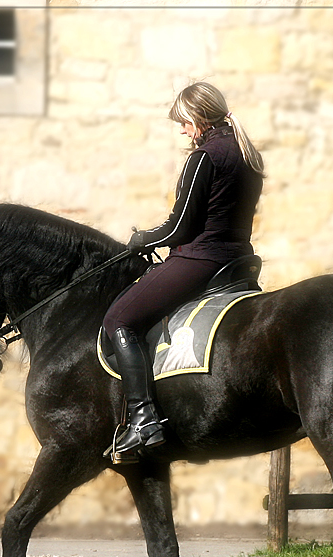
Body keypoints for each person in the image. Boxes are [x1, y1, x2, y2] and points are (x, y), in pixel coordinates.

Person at [103, 81, 265, 463]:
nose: (181, 129)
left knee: (119, 318)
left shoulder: (205, 157)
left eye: (184, 121)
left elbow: (182, 229)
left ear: (199, 117)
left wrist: (143, 239)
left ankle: (143, 420)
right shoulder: (246, 153)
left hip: (201, 258)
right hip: (237, 258)